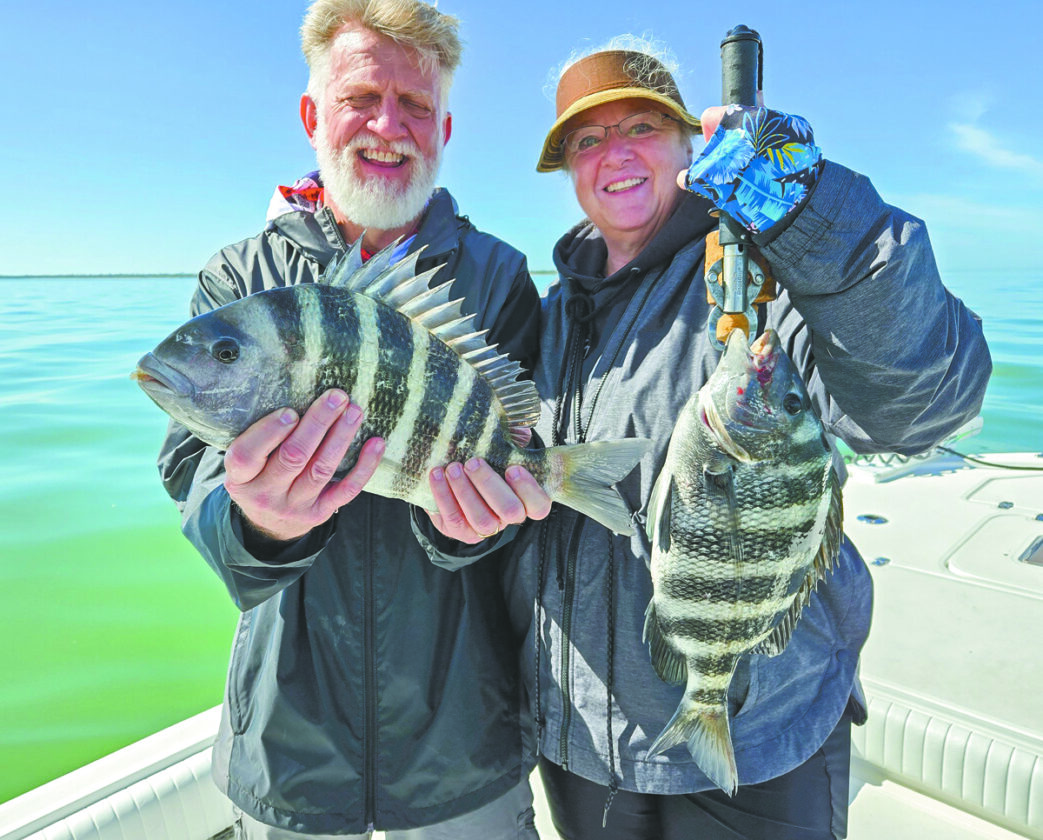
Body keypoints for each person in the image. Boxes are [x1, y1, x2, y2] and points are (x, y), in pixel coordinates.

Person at [418, 38, 992, 839]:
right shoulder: (544, 321)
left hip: (759, 744)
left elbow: (920, 402)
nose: (613, 154)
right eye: (586, 140)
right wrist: (453, 524)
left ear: (689, 143)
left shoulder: (765, 274)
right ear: (568, 172)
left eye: (642, 127)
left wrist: (812, 212)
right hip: (580, 743)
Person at [156, 1, 542, 837]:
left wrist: (470, 525)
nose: (387, 126)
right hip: (290, 753)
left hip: (462, 753)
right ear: (312, 115)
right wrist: (256, 520)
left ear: (443, 127)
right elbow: (190, 474)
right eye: (362, 97)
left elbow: (516, 474)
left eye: (414, 106)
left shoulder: (499, 277)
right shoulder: (241, 277)